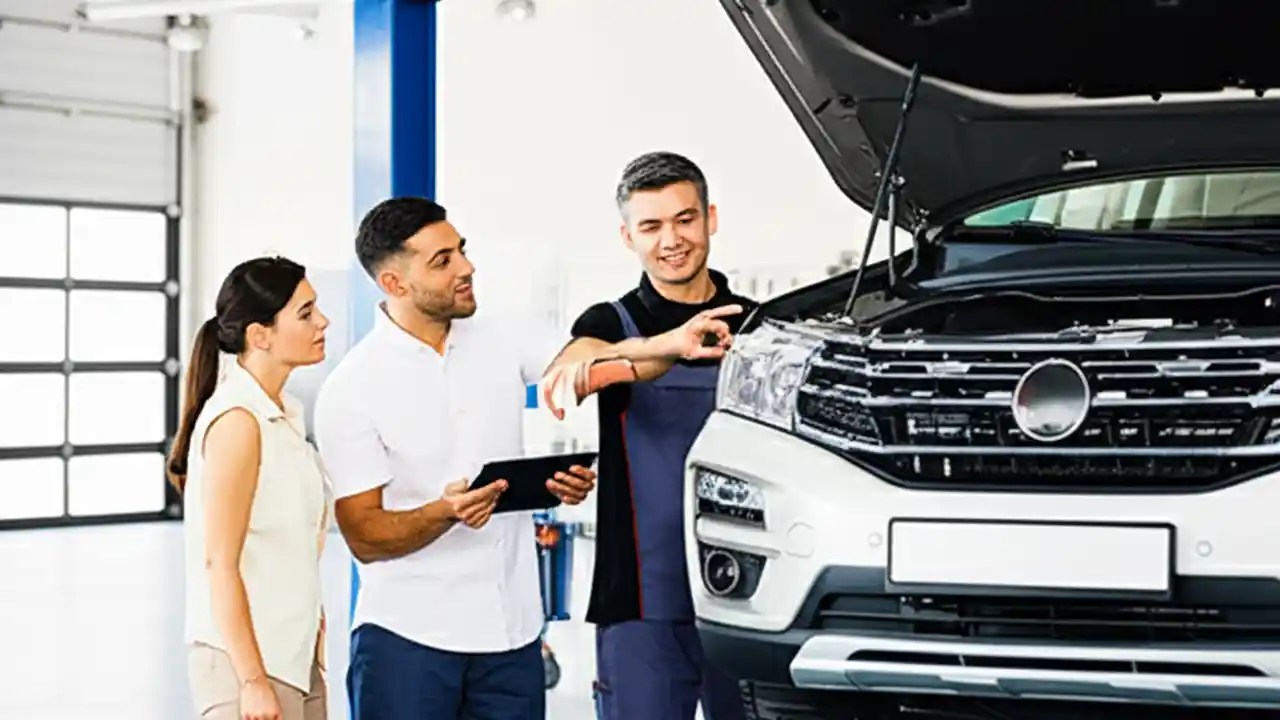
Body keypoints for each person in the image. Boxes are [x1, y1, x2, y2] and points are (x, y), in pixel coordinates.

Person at [311, 196, 598, 720]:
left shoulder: (501, 339)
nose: (466, 267)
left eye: (461, 251)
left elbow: (593, 361)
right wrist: (443, 513)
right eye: (442, 261)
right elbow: (364, 536)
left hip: (511, 637)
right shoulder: (352, 389)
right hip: (409, 642)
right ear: (394, 284)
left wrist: (673, 341)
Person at [541, 151, 756, 720]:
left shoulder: (761, 325)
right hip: (641, 597)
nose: (672, 240)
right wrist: (667, 346)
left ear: (710, 218)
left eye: (684, 220)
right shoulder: (609, 324)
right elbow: (566, 381)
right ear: (627, 237)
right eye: (651, 226)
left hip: (756, 590)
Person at [171, 256, 334, 720]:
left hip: (294, 658)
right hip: (247, 667)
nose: (323, 321)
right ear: (259, 334)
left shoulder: (284, 415)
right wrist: (252, 681)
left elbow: (290, 543)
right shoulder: (239, 422)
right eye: (305, 313)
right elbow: (218, 563)